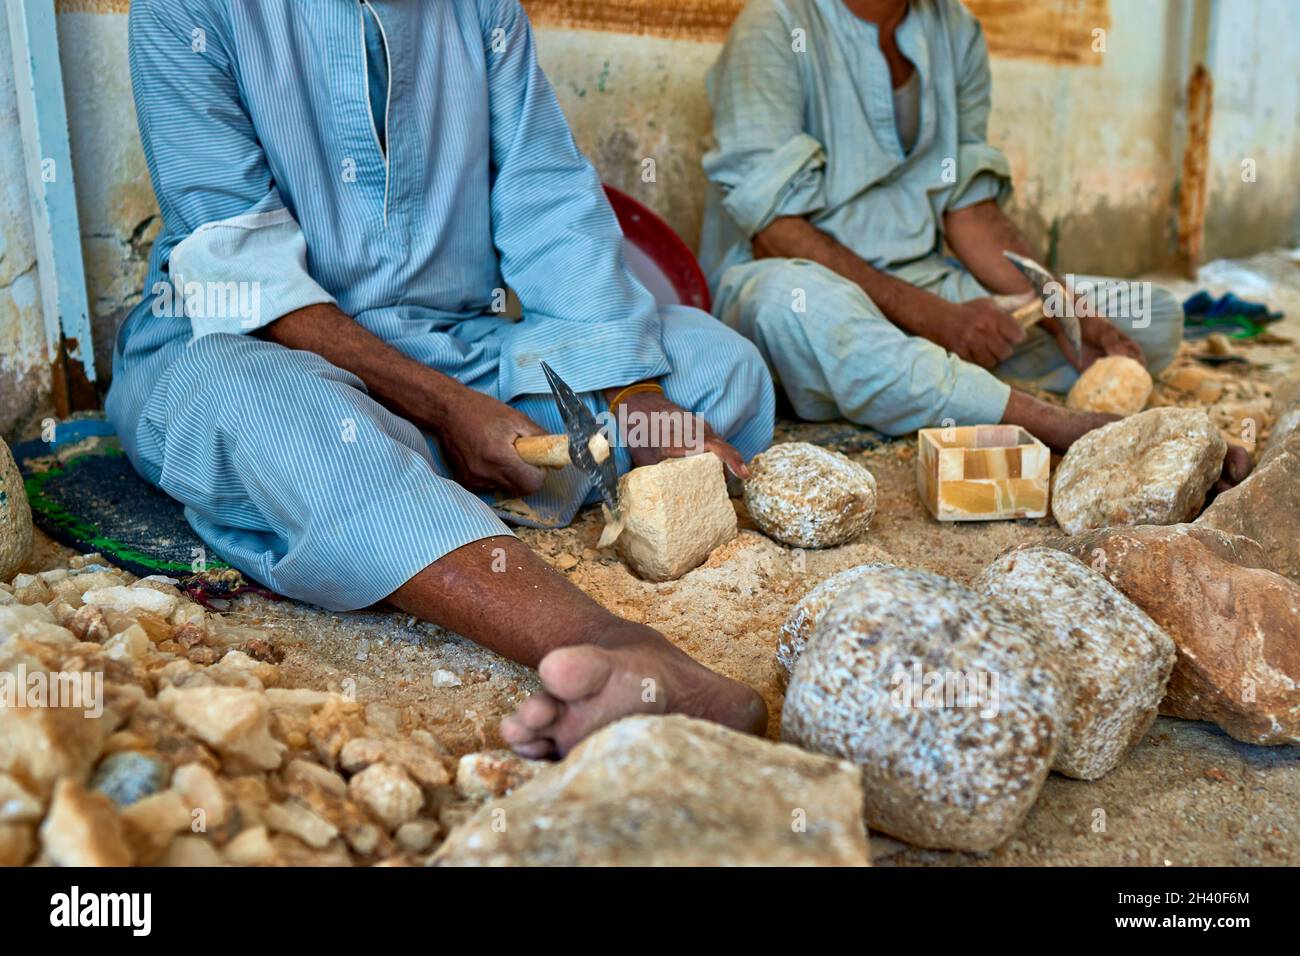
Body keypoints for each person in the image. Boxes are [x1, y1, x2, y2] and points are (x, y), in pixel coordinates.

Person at [107, 0, 775, 757]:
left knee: (718, 365)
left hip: (457, 347)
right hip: (259, 347)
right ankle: (610, 645)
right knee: (267, 415)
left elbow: (547, 199)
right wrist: (449, 407)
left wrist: (637, 399)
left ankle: (403, 497)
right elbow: (241, 273)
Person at [701, 0, 1186, 451]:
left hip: (923, 279)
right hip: (797, 280)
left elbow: (971, 212)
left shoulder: (955, 29)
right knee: (793, 310)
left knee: (1152, 314)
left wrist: (1060, 306)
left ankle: (914, 380)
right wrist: (936, 319)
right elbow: (775, 232)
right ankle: (1034, 418)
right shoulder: (775, 26)